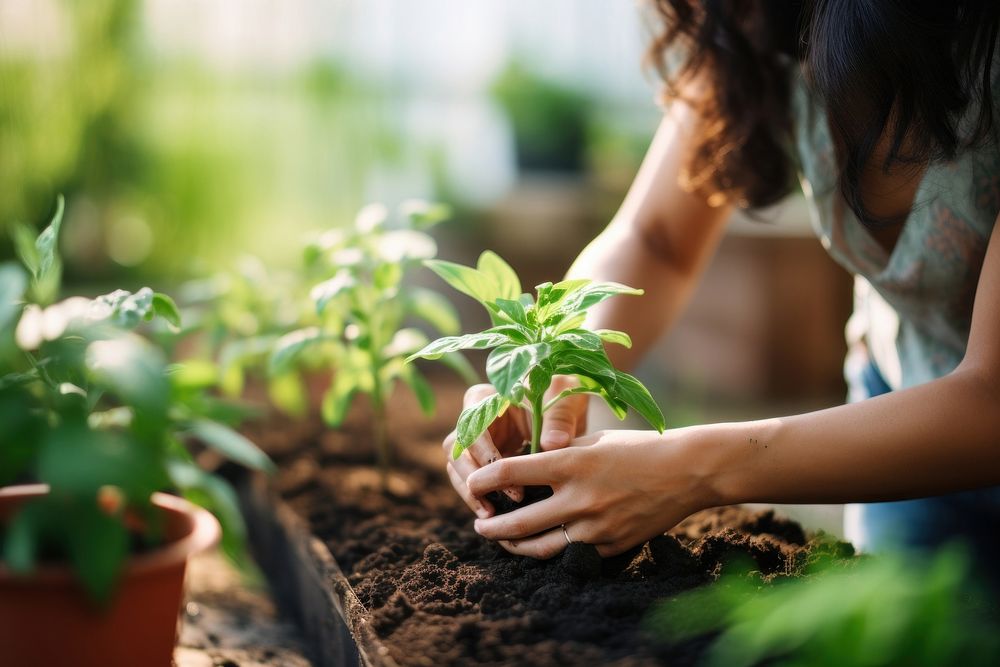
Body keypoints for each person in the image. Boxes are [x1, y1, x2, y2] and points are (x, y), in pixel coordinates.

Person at [444, 0, 1000, 564]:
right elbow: (655, 238)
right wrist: (558, 372)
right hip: (893, 412)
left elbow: (992, 399)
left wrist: (694, 467)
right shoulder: (755, 19)